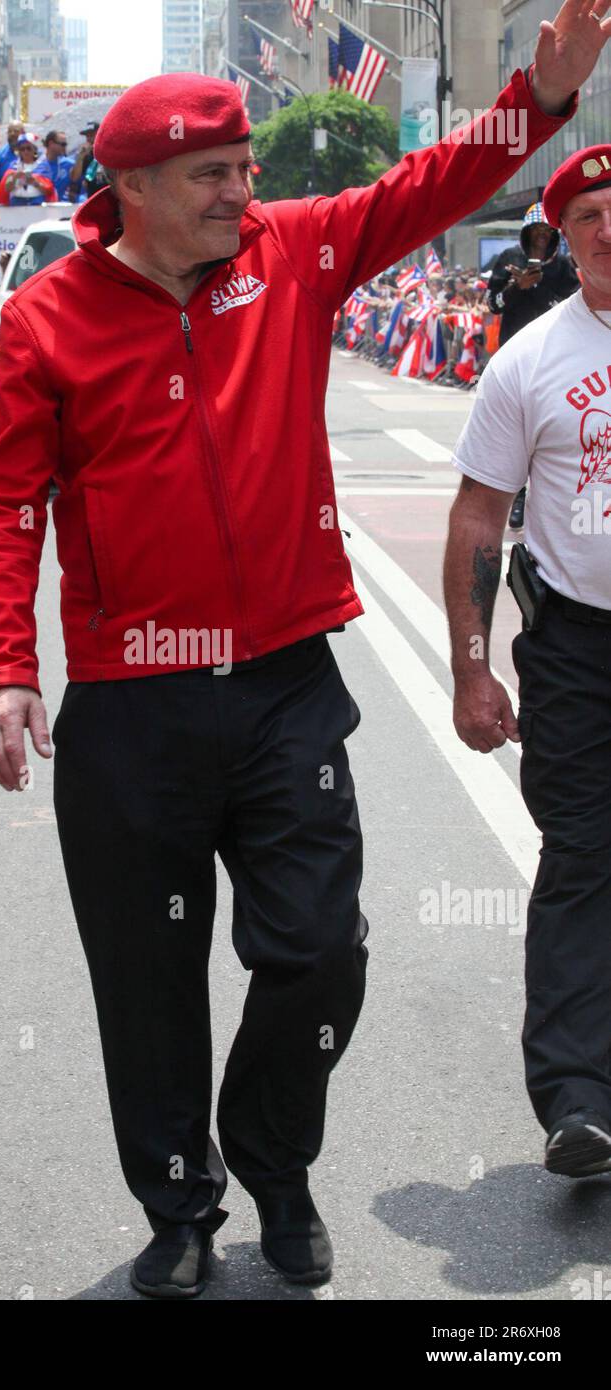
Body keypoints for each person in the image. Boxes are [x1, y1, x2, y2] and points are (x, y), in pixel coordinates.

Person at [0, 3, 601, 1300]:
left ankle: (272, 1154)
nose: (241, 190)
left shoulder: (293, 253)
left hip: (284, 687)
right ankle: (179, 1204)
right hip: (130, 704)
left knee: (318, 950)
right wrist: (1, 665)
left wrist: (532, 103)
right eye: (211, 174)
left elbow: (433, 180)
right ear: (131, 187)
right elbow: (0, 503)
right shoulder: (44, 320)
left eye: (247, 167)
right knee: (147, 983)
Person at [444, 138, 611, 1184]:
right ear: (565, 236)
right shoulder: (529, 361)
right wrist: (469, 667)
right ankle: (575, 1098)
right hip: (575, 648)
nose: (610, 227)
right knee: (582, 857)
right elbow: (475, 519)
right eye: (588, 215)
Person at [489, 201, 581, 527]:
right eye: (536, 234)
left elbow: (573, 306)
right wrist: (516, 287)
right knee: (513, 431)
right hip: (513, 355)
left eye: (547, 234)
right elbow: (493, 304)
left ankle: (544, 497)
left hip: (554, 357)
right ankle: (516, 495)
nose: (541, 240)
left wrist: (539, 287)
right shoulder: (508, 260)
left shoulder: (563, 268)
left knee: (549, 430)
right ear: (526, 235)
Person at [0, 133, 57, 207]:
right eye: (22, 149)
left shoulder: (43, 166)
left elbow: (48, 190)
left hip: (37, 202)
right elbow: (6, 189)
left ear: (34, 150)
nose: (25, 151)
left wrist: (34, 182)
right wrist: (14, 178)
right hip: (17, 202)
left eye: (28, 148)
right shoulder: (13, 166)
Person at [31, 130, 76, 202]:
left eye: (65, 144)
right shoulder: (36, 164)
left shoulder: (69, 164)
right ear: (51, 143)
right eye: (62, 144)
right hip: (41, 208)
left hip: (62, 207)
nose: (65, 147)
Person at [0, 120, 25, 188]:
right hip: (5, 196)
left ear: (23, 133)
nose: (12, 134)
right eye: (9, 131)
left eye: (16, 131)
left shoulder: (33, 152)